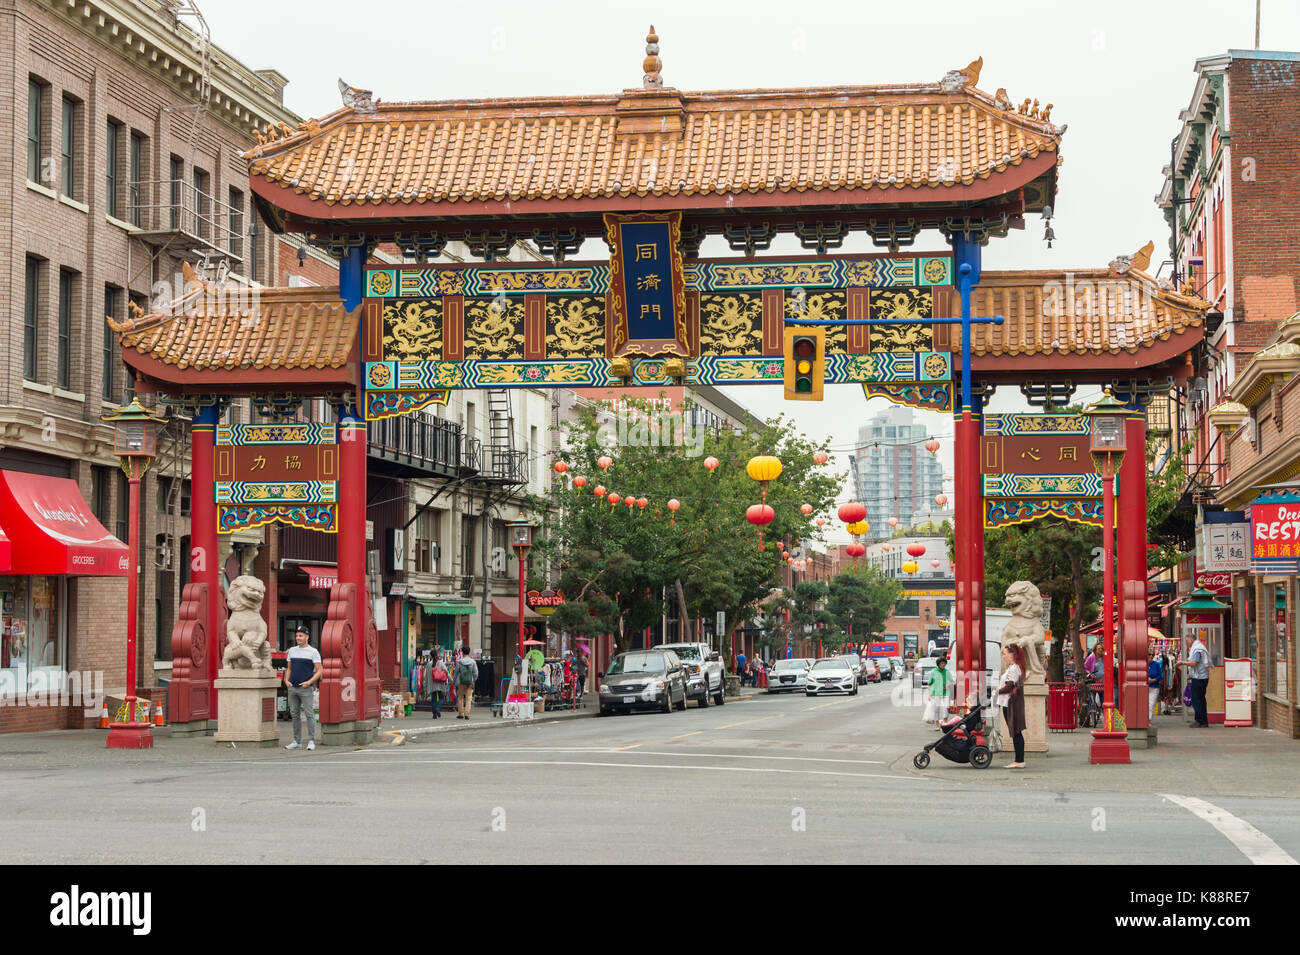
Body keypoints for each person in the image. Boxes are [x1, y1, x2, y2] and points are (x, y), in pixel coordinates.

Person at [284, 626, 321, 751]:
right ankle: (297, 741)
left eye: (301, 636)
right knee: (294, 715)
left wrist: (309, 682)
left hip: (306, 688)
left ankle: (311, 741)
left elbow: (319, 670)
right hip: (292, 687)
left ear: (307, 637)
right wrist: (286, 680)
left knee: (309, 714)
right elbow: (289, 668)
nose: (298, 638)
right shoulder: (292, 651)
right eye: (297, 636)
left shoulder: (313, 652)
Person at [998, 643, 1027, 768]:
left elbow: (1009, 686)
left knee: (1015, 731)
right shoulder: (1014, 668)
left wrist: (996, 691)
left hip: (1011, 703)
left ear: (1012, 654)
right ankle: (1018, 759)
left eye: (1005, 654)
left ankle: (1019, 760)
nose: (1003, 656)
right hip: (1011, 702)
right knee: (1016, 731)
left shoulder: (1014, 668)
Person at [1178, 634, 1211, 727]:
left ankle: (1199, 720)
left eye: (1187, 641)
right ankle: (1203, 721)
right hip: (1201, 677)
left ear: (1191, 640)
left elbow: (1194, 663)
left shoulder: (1197, 649)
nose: (1186, 643)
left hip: (1199, 678)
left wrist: (1182, 662)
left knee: (1196, 700)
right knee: (1201, 699)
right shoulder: (1198, 647)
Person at [926, 655, 954, 729]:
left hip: (945, 693)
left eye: (944, 663)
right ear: (938, 664)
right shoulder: (933, 672)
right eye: (942, 663)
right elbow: (929, 684)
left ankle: (944, 723)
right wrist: (929, 695)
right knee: (936, 709)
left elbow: (952, 681)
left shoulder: (947, 672)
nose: (943, 665)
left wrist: (947, 685)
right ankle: (938, 725)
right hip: (935, 693)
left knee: (946, 708)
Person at [455, 645, 478, 720]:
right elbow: (476, 673)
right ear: (469, 652)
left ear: (462, 652)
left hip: (461, 682)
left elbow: (456, 672)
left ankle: (460, 714)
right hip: (469, 682)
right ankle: (467, 714)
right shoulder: (473, 662)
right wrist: (473, 680)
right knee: (468, 698)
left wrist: (454, 681)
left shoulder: (459, 662)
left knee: (460, 698)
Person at [428, 653, 449, 719]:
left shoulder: (428, 664)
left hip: (432, 684)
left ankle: (434, 714)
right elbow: (447, 673)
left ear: (431, 656)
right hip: (441, 684)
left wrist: (425, 685)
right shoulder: (441, 663)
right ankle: (438, 708)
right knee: (441, 697)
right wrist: (452, 681)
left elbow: (426, 676)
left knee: (433, 699)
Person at [1147, 646, 1164, 720]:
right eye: (1149, 654)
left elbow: (1160, 676)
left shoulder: (1156, 664)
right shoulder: (1143, 664)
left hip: (1154, 687)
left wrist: (1152, 680)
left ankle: (1149, 720)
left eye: (1152, 655)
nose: (1151, 656)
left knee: (1151, 704)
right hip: (1145, 687)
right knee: (1144, 705)